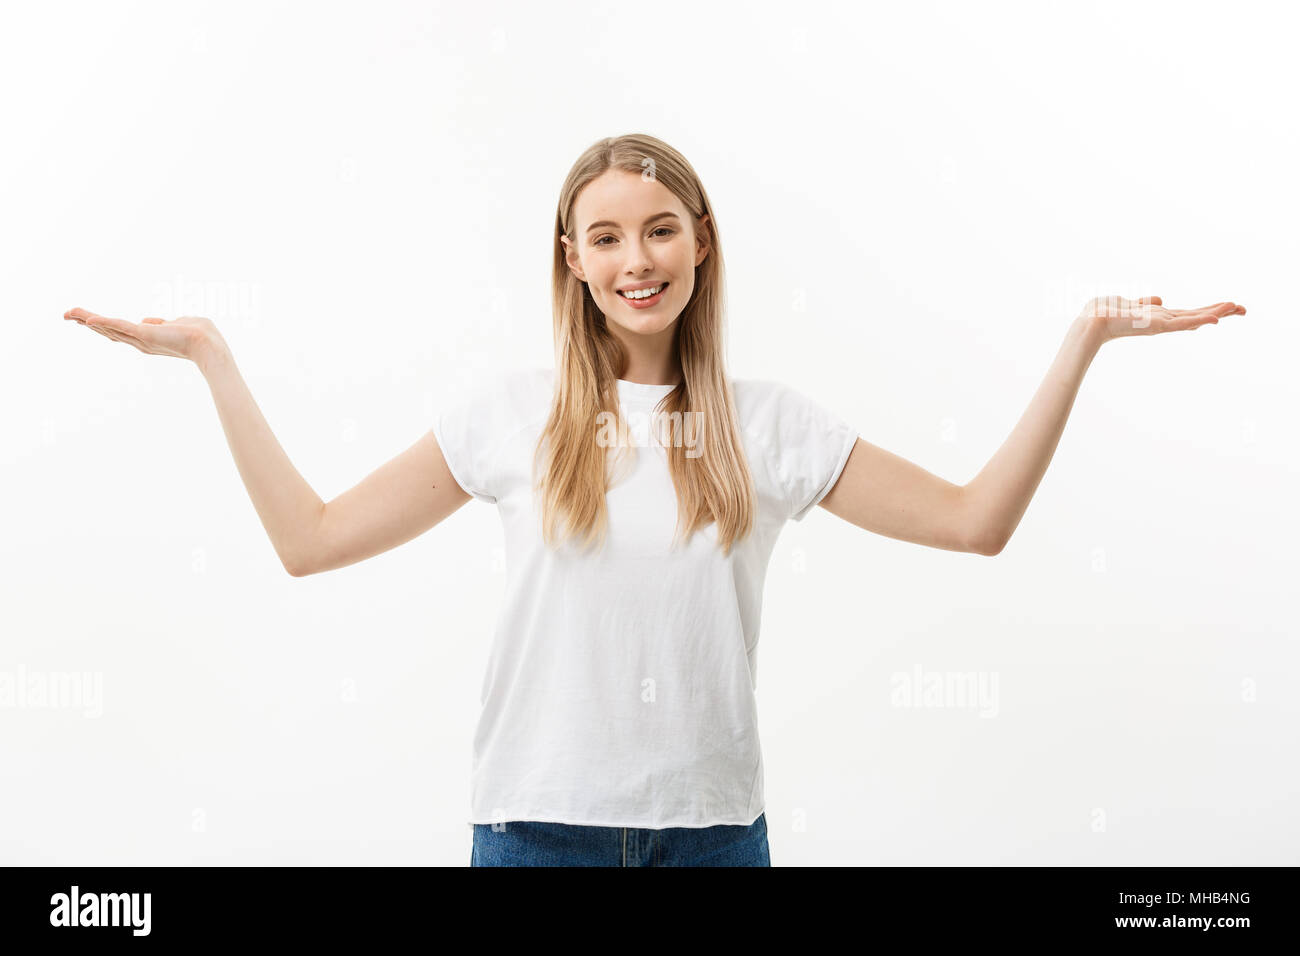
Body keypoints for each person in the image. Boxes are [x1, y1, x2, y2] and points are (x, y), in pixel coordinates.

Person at [62, 133, 1246, 867]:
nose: (638, 260)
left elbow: (974, 520)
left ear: (701, 245)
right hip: (533, 836)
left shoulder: (767, 424)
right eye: (608, 236)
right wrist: (213, 355)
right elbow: (308, 540)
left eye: (661, 230)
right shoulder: (508, 415)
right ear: (572, 260)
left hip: (716, 839)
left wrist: (1083, 340)